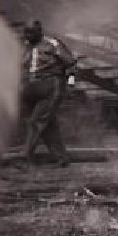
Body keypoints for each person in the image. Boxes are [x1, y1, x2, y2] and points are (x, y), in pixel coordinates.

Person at [19, 21, 75, 166]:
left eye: (31, 32)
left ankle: (24, 157)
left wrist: (70, 83)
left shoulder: (52, 43)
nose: (28, 35)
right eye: (26, 32)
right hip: (30, 87)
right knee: (48, 125)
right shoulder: (25, 46)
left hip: (50, 86)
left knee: (35, 122)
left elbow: (70, 63)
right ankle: (61, 158)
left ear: (39, 31)